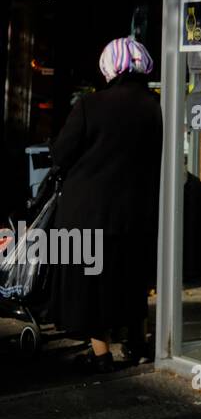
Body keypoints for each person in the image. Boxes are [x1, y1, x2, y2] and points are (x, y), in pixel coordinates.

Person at [46, 36, 163, 372]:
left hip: (89, 210)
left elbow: (61, 153)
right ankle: (137, 343)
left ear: (109, 67)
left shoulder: (90, 105)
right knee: (131, 278)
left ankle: (101, 354)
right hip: (137, 211)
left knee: (92, 284)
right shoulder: (155, 106)